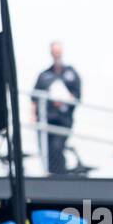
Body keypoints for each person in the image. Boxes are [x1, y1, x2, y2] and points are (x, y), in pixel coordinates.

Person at [32, 41, 82, 175]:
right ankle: (51, 174)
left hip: (63, 120)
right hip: (46, 120)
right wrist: (33, 117)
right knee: (46, 149)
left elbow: (77, 95)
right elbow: (34, 98)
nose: (57, 55)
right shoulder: (44, 75)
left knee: (57, 147)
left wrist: (65, 99)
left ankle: (59, 175)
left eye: (58, 52)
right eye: (55, 52)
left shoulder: (71, 73)